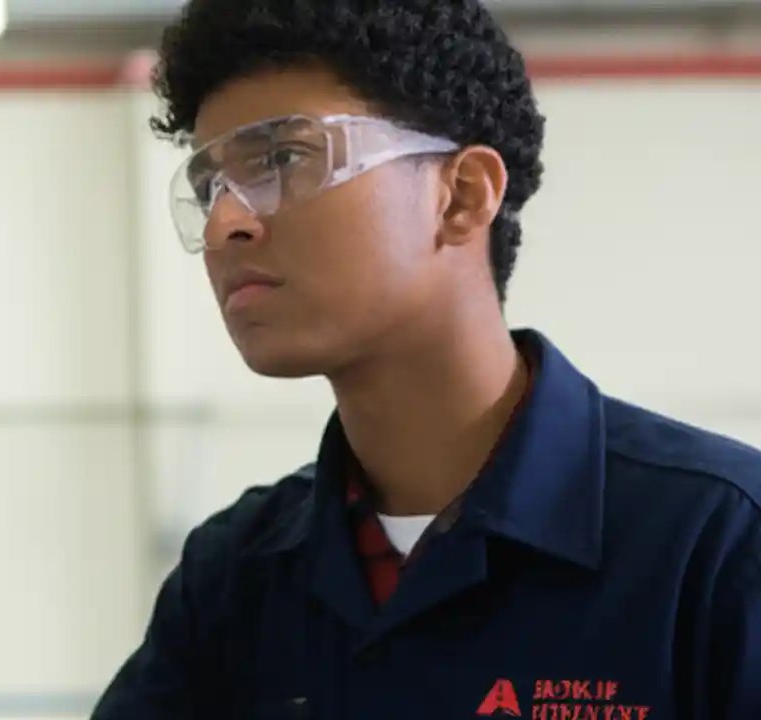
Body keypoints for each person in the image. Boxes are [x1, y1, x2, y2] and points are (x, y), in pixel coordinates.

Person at [92, 1, 761, 718]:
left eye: (282, 158)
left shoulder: (716, 545)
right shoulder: (231, 580)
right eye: (208, 186)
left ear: (463, 196)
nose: (226, 223)